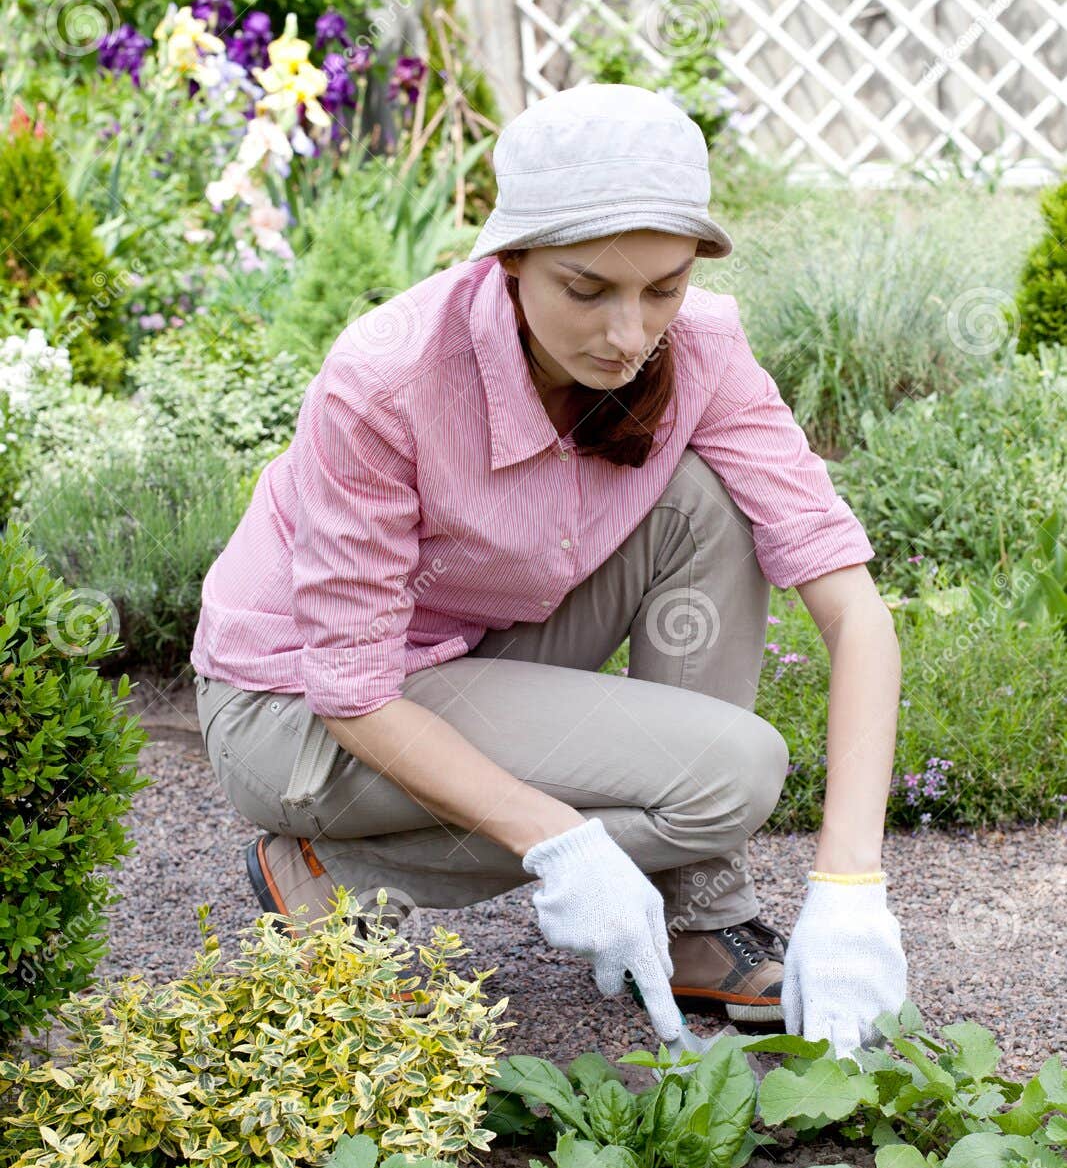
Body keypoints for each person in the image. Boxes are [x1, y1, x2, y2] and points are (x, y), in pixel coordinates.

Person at [190, 81, 907, 1058]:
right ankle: (332, 879)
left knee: (708, 503)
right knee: (730, 775)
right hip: (296, 712)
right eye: (586, 289)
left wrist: (850, 886)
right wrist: (557, 838)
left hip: (465, 650)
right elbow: (350, 687)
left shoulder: (699, 350)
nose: (628, 334)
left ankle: (695, 912)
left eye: (662, 287)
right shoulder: (388, 377)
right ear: (511, 258)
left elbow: (852, 611)